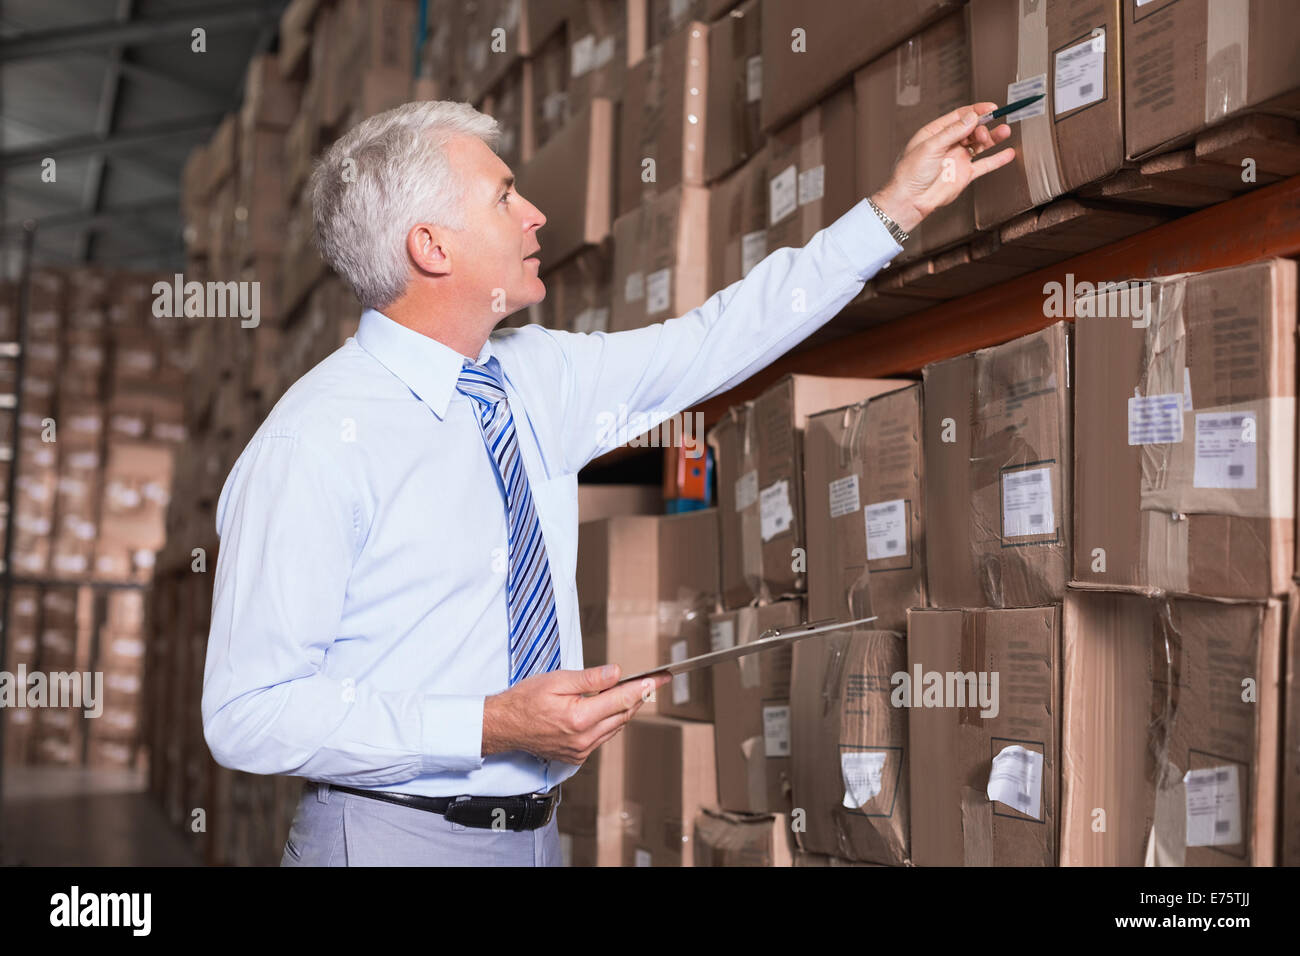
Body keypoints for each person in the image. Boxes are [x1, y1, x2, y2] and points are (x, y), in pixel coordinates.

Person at [200, 99, 1013, 867]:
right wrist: (487, 726)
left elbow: (712, 341)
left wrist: (894, 210)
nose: (534, 215)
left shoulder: (536, 374)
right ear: (432, 248)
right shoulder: (315, 443)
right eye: (504, 197)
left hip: (535, 836)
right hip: (390, 841)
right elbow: (248, 715)